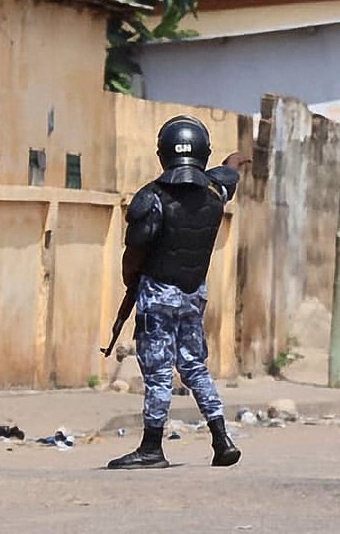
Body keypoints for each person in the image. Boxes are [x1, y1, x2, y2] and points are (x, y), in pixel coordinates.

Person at [106, 115, 248, 470]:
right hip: (193, 293)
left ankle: (152, 447)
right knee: (194, 366)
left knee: (157, 373)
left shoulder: (151, 198)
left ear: (162, 154)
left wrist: (130, 285)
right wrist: (235, 159)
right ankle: (221, 439)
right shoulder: (217, 192)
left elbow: (134, 253)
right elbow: (229, 174)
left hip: (159, 294)